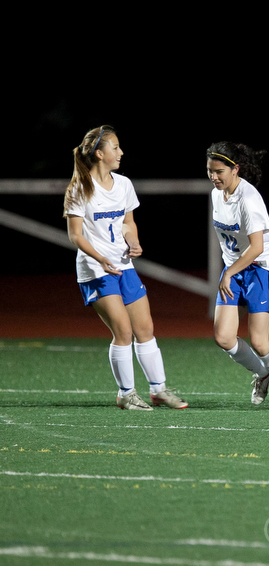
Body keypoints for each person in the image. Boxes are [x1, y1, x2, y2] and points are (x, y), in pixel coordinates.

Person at [64, 125, 188, 411]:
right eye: (115, 147)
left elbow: (127, 222)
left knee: (145, 328)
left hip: (124, 265)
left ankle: (158, 391)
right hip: (96, 269)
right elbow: (75, 235)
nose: (121, 152)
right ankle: (126, 394)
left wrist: (134, 242)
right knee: (123, 332)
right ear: (99, 153)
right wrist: (101, 257)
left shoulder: (123, 184)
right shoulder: (79, 188)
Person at [207, 142, 269, 408]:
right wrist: (231, 270)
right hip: (236, 268)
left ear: (235, 169)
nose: (214, 177)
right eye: (210, 171)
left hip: (260, 267)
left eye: (219, 171)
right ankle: (262, 373)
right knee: (224, 337)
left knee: (260, 342)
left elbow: (257, 247)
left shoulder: (248, 198)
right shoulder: (217, 194)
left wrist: (228, 273)